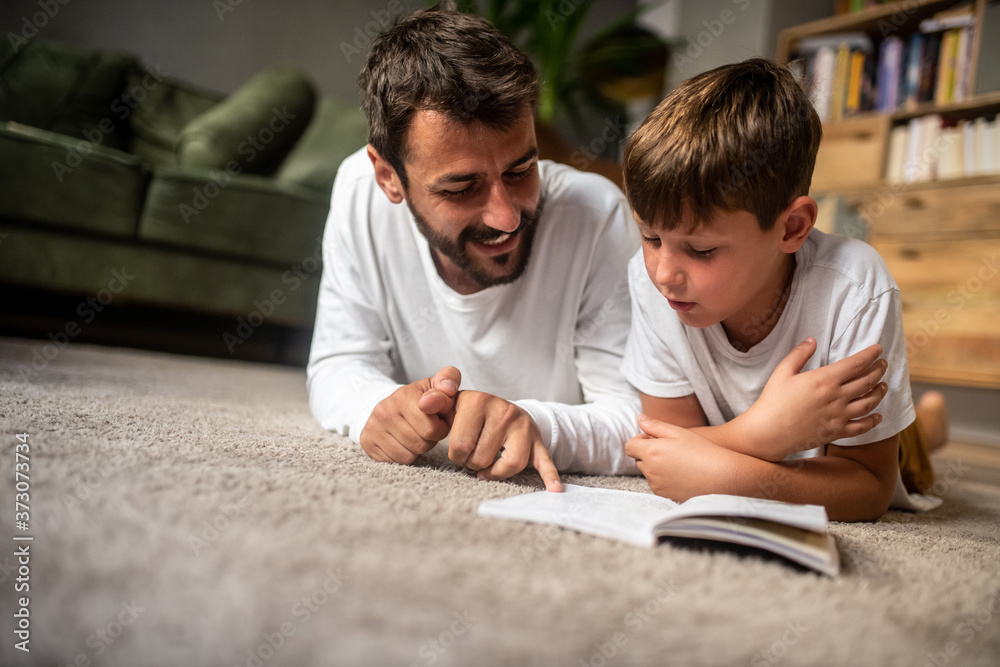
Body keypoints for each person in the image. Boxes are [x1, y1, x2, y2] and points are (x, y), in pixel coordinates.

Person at [306, 3, 644, 490]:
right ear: (388, 178)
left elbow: (638, 418)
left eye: (521, 170)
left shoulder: (596, 216)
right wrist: (371, 410)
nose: (506, 216)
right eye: (461, 187)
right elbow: (339, 362)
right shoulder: (358, 191)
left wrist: (535, 423)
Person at [619, 58, 947, 521]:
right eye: (650, 237)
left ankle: (928, 422)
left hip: (847, 435)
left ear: (792, 227)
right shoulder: (651, 279)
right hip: (793, 430)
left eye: (702, 250)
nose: (664, 273)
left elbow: (870, 488)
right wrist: (764, 434)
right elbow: (662, 446)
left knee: (913, 458)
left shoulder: (855, 288)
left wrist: (728, 476)